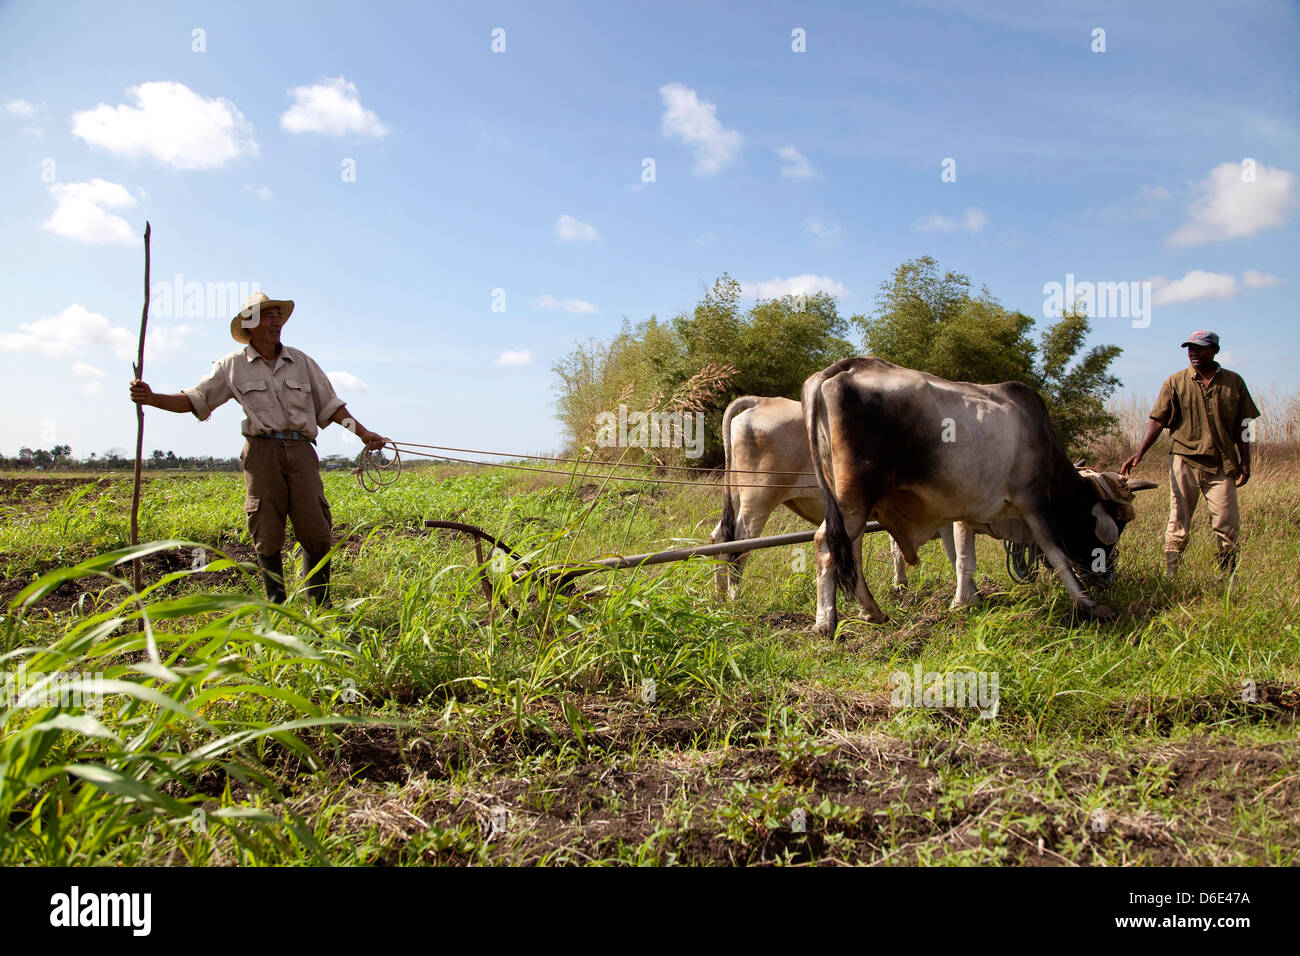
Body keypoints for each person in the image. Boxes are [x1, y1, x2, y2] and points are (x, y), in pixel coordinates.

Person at [129, 292, 387, 606]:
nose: (276, 321)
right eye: (267, 315)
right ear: (249, 326)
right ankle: (277, 605)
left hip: (301, 450)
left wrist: (363, 433)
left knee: (316, 528)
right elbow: (194, 400)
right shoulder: (232, 366)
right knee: (266, 528)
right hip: (261, 453)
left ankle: (320, 606)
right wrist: (153, 398)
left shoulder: (302, 362)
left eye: (278, 315)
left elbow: (332, 408)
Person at [1121, 329, 1260, 579]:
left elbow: (1245, 423)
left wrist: (1246, 459)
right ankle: (1172, 575)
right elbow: (1157, 420)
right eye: (1190, 348)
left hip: (1222, 463)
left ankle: (1228, 577)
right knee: (1179, 520)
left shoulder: (1234, 382)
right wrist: (1139, 452)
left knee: (1227, 523)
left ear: (1214, 351)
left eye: (1200, 348)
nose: (1193, 352)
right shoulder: (1175, 382)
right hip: (1185, 460)